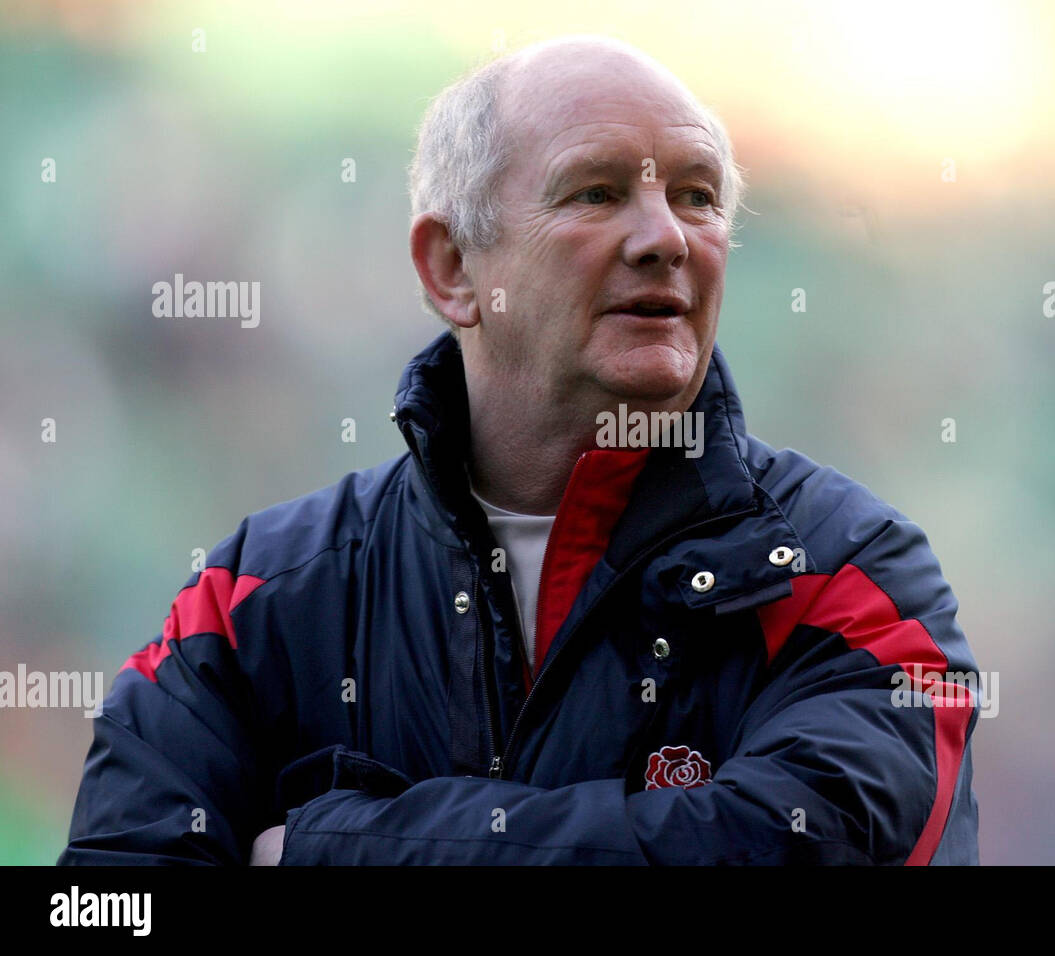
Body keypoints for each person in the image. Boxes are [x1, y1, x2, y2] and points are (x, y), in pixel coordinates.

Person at [58, 34, 981, 866]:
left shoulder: (849, 574)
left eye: (697, 197)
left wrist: (333, 845)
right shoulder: (252, 600)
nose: (666, 238)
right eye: (598, 193)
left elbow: (805, 850)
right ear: (453, 269)